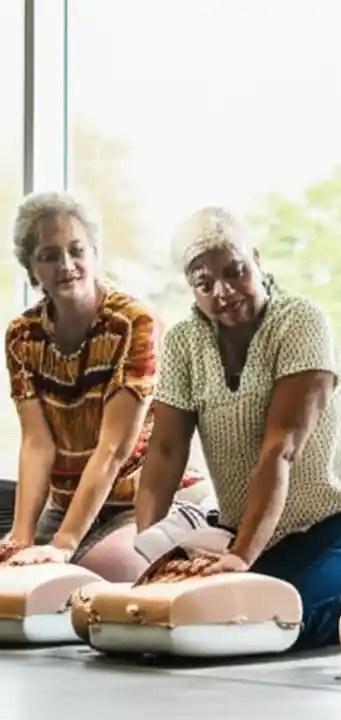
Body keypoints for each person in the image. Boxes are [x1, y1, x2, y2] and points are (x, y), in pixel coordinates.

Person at [134, 206, 341, 651]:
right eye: (205, 284)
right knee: (197, 617)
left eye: (235, 272)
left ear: (256, 260)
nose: (224, 291)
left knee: (255, 622)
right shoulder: (183, 341)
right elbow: (164, 450)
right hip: (262, 529)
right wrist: (150, 551)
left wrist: (240, 557)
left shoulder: (300, 321)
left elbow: (282, 448)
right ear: (192, 289)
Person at [0, 191, 156, 582]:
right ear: (32, 269)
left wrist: (64, 545)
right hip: (68, 502)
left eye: (76, 250)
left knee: (96, 571)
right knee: (13, 570)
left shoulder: (134, 323)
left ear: (94, 253)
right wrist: (20, 539)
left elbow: (114, 450)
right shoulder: (22, 335)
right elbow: (37, 444)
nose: (66, 265)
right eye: (49, 256)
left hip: (141, 499)